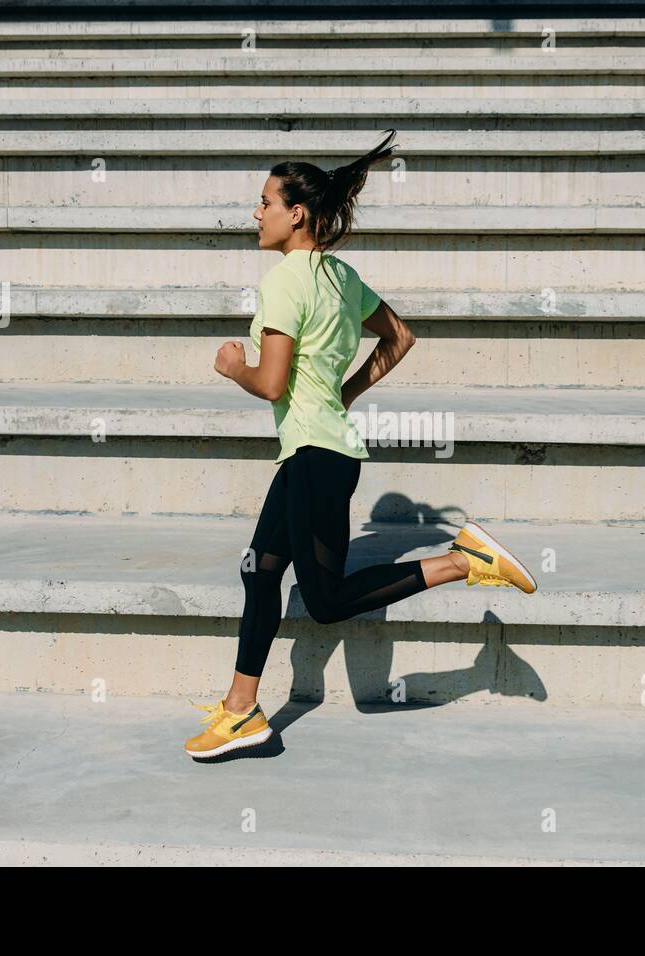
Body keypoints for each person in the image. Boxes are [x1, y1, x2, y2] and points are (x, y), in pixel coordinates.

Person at [187, 130, 536, 759]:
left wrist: (233, 367)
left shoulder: (284, 282)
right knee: (260, 569)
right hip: (315, 452)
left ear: (297, 213)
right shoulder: (341, 277)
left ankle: (464, 561)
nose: (256, 213)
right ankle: (241, 710)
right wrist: (342, 395)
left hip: (316, 458)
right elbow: (400, 336)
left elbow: (271, 384)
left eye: (265, 202)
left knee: (325, 603)